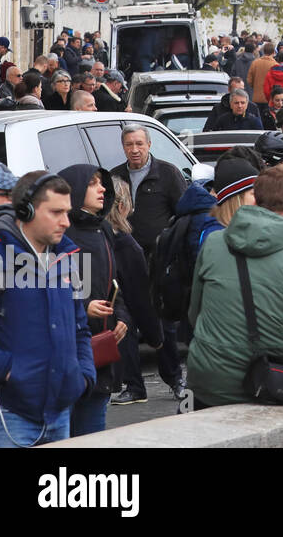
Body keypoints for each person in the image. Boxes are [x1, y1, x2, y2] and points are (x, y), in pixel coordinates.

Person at [187, 164, 283, 407]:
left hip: (206, 380)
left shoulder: (213, 243)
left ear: (255, 198)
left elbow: (195, 314)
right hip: (267, 384)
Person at [0, 171, 94, 447]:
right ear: (26, 209)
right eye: (56, 212)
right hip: (7, 415)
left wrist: (82, 375)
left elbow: (80, 328)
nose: (66, 222)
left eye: (67, 212)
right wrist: (8, 371)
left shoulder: (66, 257)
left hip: (60, 415)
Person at [109, 125, 188, 404]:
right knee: (125, 325)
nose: (135, 149)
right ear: (123, 147)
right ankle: (134, 387)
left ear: (149, 144)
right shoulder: (114, 177)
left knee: (162, 326)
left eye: (139, 144)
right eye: (129, 144)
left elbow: (183, 215)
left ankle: (175, 378)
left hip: (158, 265)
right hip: (124, 264)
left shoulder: (167, 174)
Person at [57, 165, 128, 437]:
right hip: (70, 354)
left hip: (102, 354)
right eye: (93, 184)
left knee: (93, 436)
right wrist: (84, 306)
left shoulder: (104, 230)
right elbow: (50, 286)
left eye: (103, 183)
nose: (103, 189)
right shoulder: (61, 234)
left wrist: (122, 316)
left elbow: (115, 283)